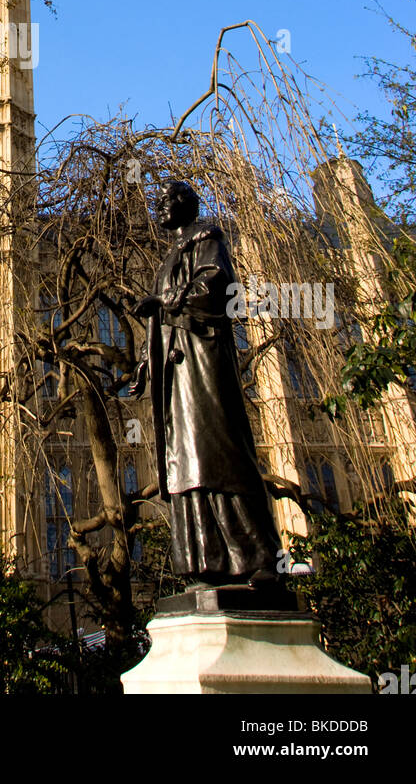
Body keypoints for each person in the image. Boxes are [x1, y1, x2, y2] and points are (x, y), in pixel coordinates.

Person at [129, 179, 280, 585]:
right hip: (176, 372)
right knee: (185, 466)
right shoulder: (170, 255)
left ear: (186, 205)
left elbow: (215, 288)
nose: (158, 208)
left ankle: (259, 558)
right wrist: (145, 363)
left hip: (202, 362)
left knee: (216, 454)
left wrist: (163, 302)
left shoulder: (207, 238)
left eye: (165, 201)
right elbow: (157, 321)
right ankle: (205, 562)